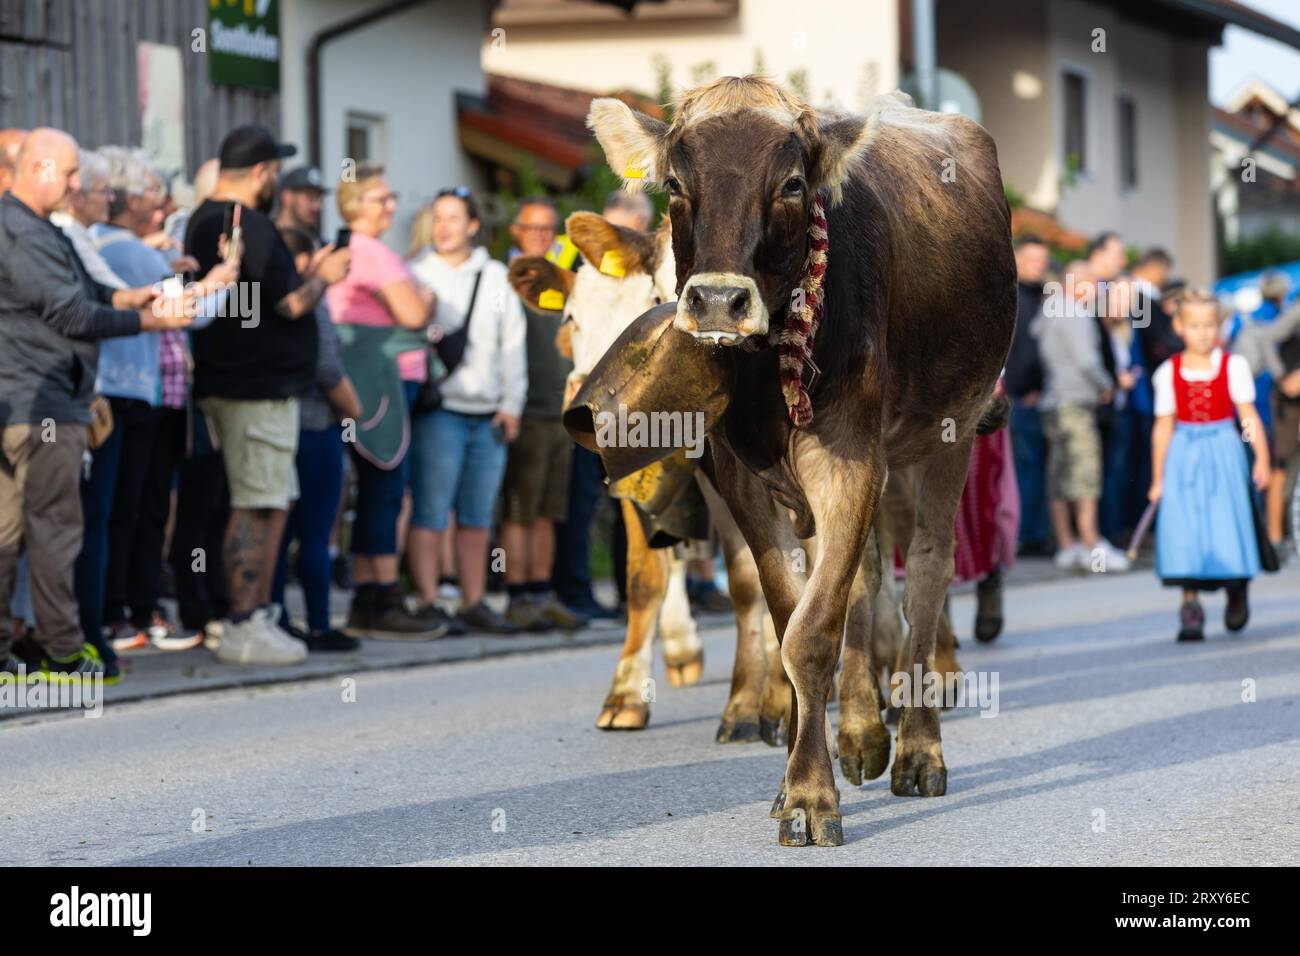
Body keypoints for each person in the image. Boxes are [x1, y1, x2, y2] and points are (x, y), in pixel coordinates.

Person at [0, 128, 193, 682]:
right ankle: (64, 654)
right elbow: (73, 315)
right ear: (37, 169)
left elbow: (92, 294)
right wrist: (153, 318)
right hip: (43, 408)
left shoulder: (39, 228)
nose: (78, 184)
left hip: (31, 404)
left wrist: (142, 297)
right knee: (55, 533)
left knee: (13, 534)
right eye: (68, 173)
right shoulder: (21, 231)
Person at [185, 125, 351, 666]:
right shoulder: (245, 222)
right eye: (275, 172)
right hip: (254, 388)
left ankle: (255, 615)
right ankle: (243, 622)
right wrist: (325, 275)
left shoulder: (204, 219)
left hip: (247, 384)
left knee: (270, 498)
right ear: (260, 173)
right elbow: (290, 305)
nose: (275, 181)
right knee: (257, 501)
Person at [92, 148, 215, 654]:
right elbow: (195, 315)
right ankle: (126, 612)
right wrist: (224, 280)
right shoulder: (129, 249)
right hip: (132, 394)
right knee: (133, 508)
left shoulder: (108, 243)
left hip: (123, 391)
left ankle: (123, 610)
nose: (161, 202)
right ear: (126, 199)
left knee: (122, 508)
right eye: (151, 193)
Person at [328, 165, 444, 639]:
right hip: (383, 386)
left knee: (381, 490)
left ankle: (375, 594)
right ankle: (377, 597)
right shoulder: (369, 251)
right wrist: (429, 299)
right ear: (355, 205)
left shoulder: (351, 248)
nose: (392, 205)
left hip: (376, 382)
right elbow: (415, 313)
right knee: (386, 489)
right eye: (381, 198)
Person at [408, 188, 527, 634]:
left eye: (454, 218)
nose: (444, 226)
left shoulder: (496, 276)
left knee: (478, 516)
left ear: (472, 226)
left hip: (488, 412)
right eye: (438, 217)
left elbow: (511, 347)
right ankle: (428, 600)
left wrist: (511, 405)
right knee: (431, 511)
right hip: (440, 409)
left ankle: (474, 600)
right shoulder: (417, 272)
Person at [1149, 290, 1270, 641]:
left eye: (1209, 325)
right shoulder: (1168, 373)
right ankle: (1190, 603)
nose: (1202, 333)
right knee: (1185, 525)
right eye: (1195, 325)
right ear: (1179, 326)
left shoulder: (1233, 366)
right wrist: (1157, 478)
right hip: (1184, 452)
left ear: (1218, 327)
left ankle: (1235, 587)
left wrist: (1260, 456)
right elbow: (1163, 427)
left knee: (1225, 520)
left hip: (1224, 449)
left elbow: (1247, 416)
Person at [272, 227, 364, 650]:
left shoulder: (274, 299)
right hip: (317, 427)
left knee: (279, 530)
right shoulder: (312, 299)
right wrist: (355, 409)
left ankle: (277, 617)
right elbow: (327, 367)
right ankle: (321, 624)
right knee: (316, 531)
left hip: (284, 426)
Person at [499, 197, 585, 631]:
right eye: (531, 229)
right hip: (525, 410)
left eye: (547, 229)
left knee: (551, 510)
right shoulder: (504, 281)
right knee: (520, 507)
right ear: (515, 231)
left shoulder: (564, 278)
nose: (539, 236)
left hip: (559, 411)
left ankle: (541, 590)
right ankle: (517, 596)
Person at [1034, 261, 1129, 572]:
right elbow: (1087, 362)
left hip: (1052, 401)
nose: (1098, 290)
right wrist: (1108, 385)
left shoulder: (1048, 310)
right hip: (1075, 401)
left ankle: (1067, 544)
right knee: (1085, 473)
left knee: (1059, 474)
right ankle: (1091, 544)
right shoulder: (1074, 312)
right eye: (1093, 283)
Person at [1006, 234, 1052, 555]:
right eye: (1032, 260)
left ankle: (1035, 533)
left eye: (1042, 261)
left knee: (1038, 467)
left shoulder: (1044, 297)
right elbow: (1015, 353)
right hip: (1018, 397)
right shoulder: (1009, 296)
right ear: (1017, 259)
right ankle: (1022, 536)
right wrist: (1020, 389)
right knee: (1024, 468)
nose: (1039, 266)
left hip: (1042, 396)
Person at [277, 166, 327, 238]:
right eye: (310, 197)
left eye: (319, 199)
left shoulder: (320, 242)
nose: (317, 206)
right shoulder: (266, 237)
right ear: (287, 196)